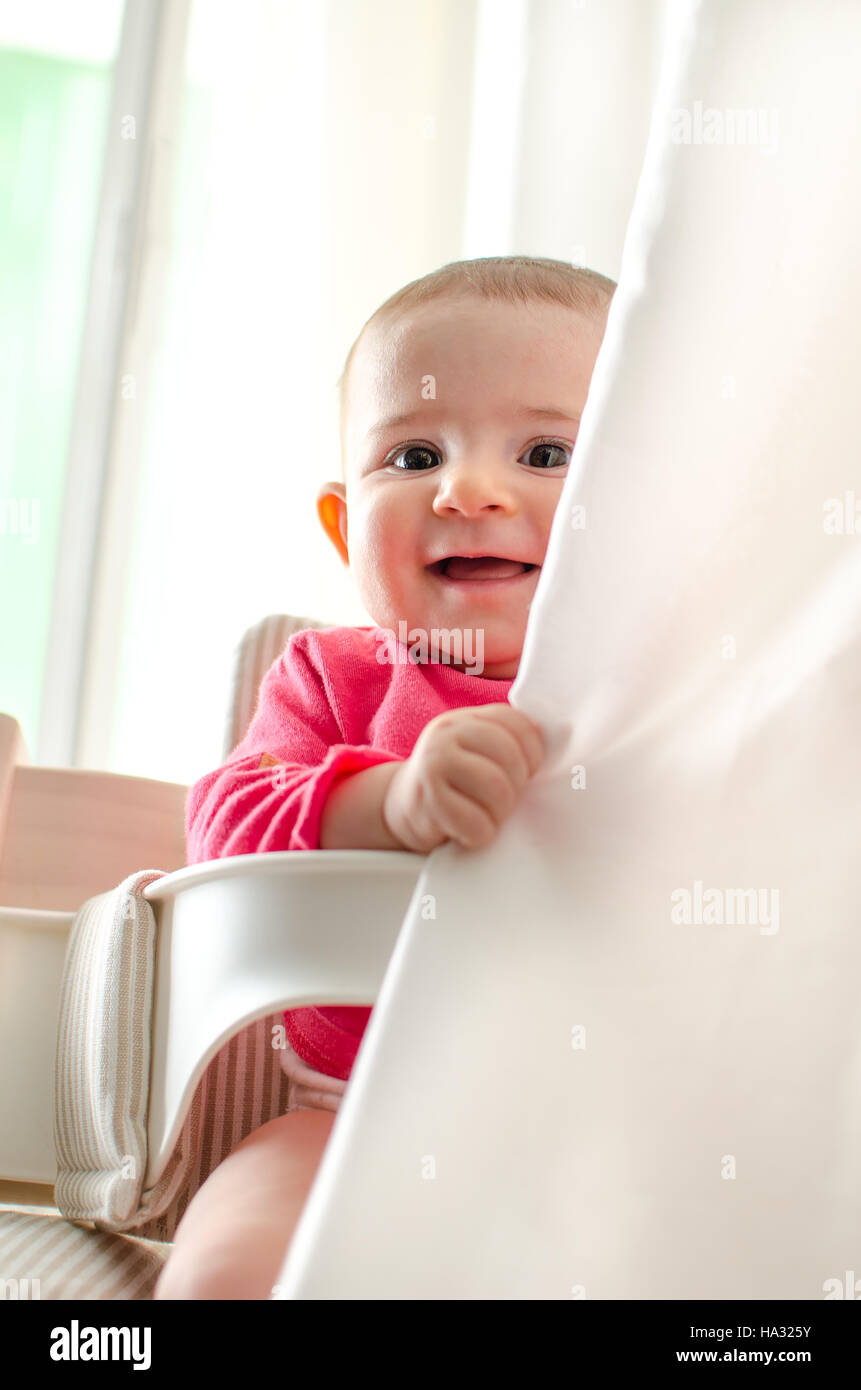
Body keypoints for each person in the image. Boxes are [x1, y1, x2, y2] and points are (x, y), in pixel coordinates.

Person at [153, 254, 616, 1299]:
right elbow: (223, 821)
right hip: (346, 1114)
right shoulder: (336, 675)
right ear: (341, 524)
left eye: (546, 451)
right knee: (225, 1271)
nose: (469, 489)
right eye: (413, 453)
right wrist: (390, 801)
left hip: (607, 1128)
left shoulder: (658, 692)